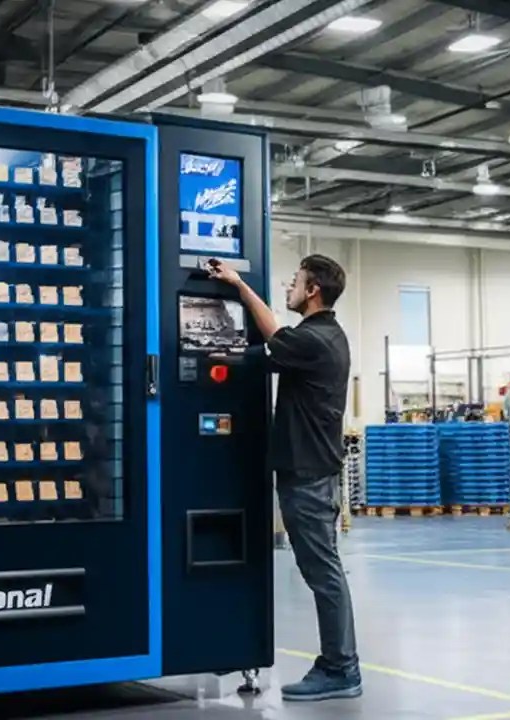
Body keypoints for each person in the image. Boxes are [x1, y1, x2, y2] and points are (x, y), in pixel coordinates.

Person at [209, 254, 360, 702]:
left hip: (309, 476)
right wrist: (238, 287)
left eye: (294, 281)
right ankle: (339, 664)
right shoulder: (323, 336)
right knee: (323, 571)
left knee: (323, 574)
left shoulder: (314, 341)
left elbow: (264, 343)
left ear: (312, 290)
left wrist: (205, 340)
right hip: (311, 473)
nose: (288, 286)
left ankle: (341, 668)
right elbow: (276, 336)